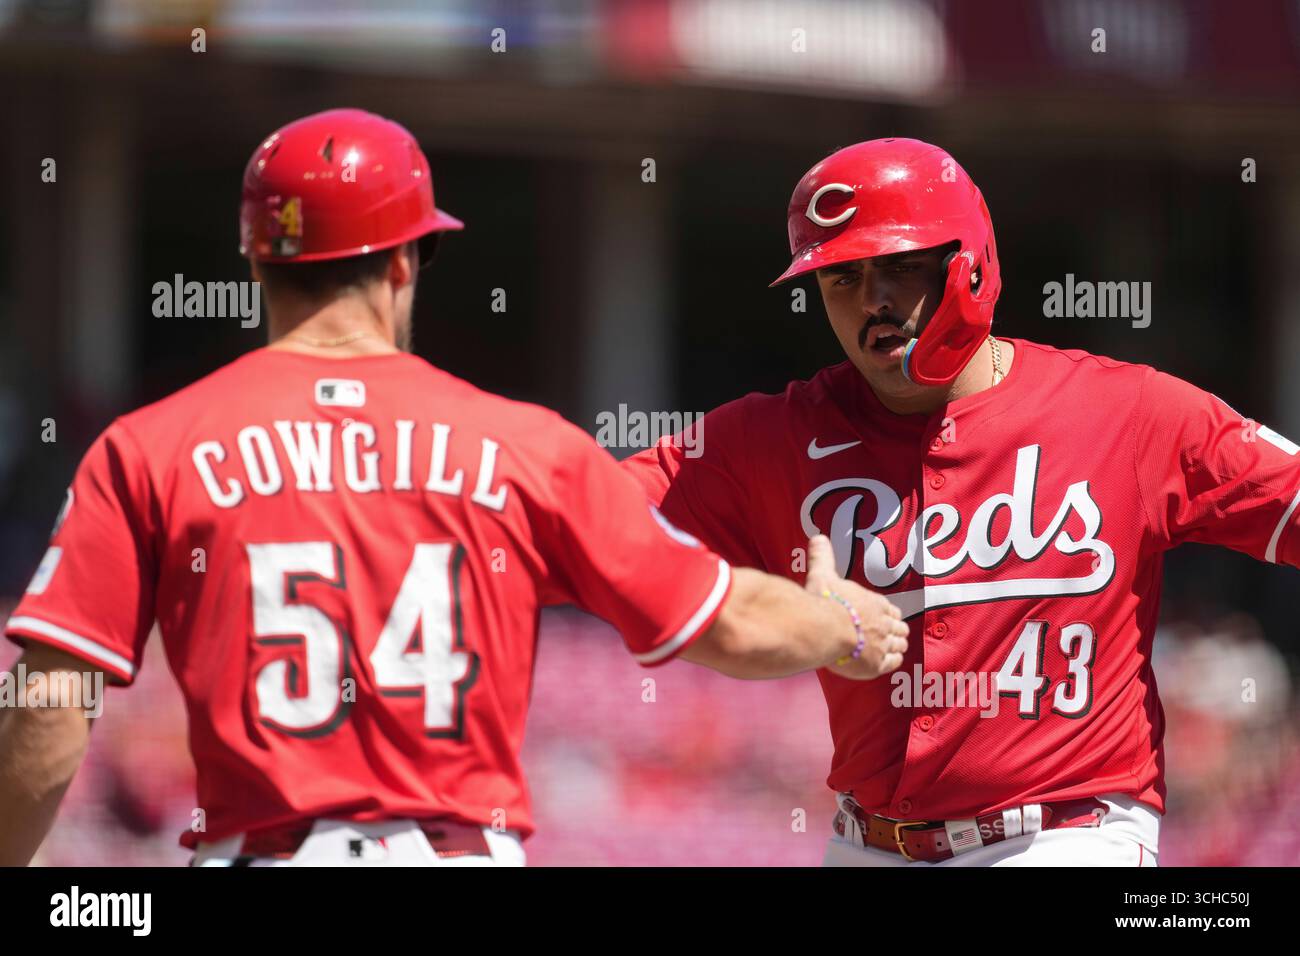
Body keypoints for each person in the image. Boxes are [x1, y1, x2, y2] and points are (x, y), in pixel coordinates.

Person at [0, 110, 909, 867]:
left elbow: (47, 707)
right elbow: (728, 623)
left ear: (258, 265)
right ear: (404, 263)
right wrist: (843, 623)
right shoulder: (522, 447)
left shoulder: (148, 448)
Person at [624, 137, 1300, 866]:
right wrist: (764, 608)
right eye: (842, 279)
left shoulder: (1130, 413)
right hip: (864, 840)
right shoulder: (769, 438)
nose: (873, 300)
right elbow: (581, 517)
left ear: (970, 261)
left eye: (901, 265)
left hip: (1063, 836)